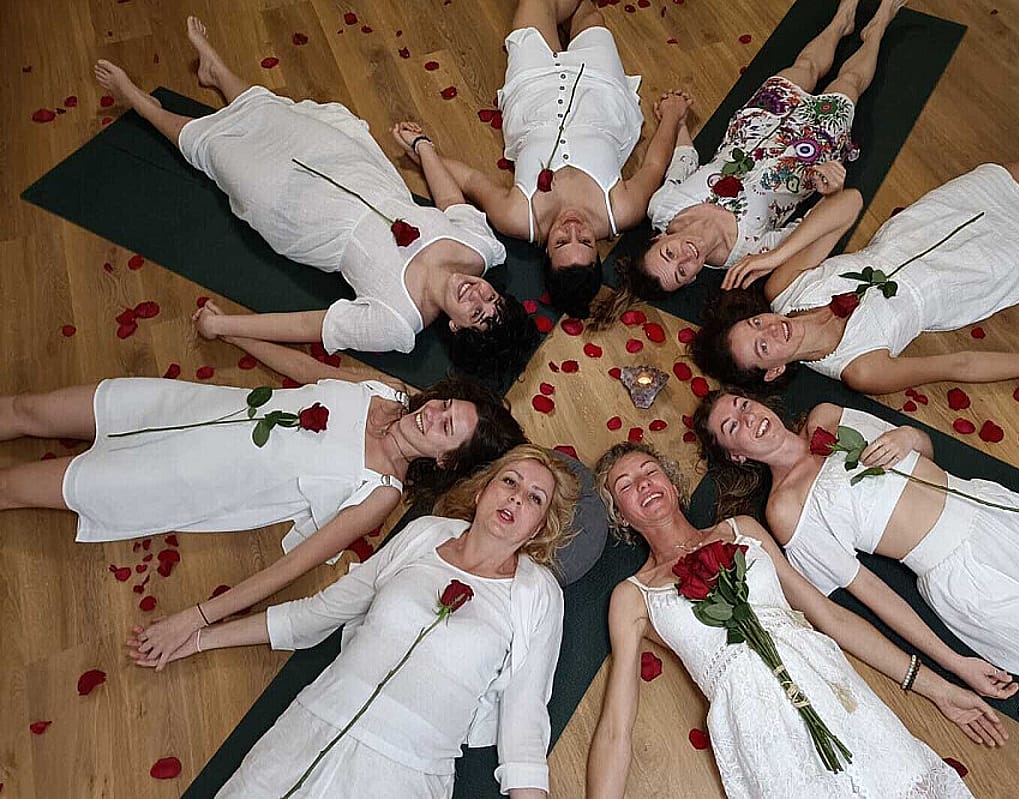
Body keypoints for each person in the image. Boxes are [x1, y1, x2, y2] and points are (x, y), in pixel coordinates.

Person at [1, 309, 525, 669]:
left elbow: (288, 571)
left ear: (445, 458)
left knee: (13, 487)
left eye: (447, 426)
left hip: (166, 482)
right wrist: (228, 332)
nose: (434, 413)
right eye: (445, 404)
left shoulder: (378, 493)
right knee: (27, 409)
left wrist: (194, 620)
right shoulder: (383, 392)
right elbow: (308, 372)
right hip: (179, 408)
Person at [695, 391, 1019, 760]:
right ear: (736, 455)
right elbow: (869, 593)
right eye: (732, 427)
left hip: (1003, 513)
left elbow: (924, 452)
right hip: (971, 581)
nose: (747, 418)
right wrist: (954, 664)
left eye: (742, 405)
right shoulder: (786, 509)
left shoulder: (827, 416)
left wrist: (906, 436)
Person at [689, 74, 1019, 394]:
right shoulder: (859, 369)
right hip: (976, 273)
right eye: (761, 348)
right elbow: (962, 363)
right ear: (774, 372)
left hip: (927, 222)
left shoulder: (784, 291)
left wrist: (779, 253)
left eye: (754, 326)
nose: (767, 331)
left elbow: (848, 204)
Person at [128, 446, 578, 798]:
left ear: (538, 527)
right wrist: (201, 636)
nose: (517, 497)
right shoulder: (425, 534)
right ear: (482, 492)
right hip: (314, 723)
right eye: (510, 482)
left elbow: (524, 722)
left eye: (534, 498)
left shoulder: (537, 594)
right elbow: (323, 611)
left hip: (407, 772)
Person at [95, 17, 534, 368]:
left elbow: (311, 323)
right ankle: (218, 70)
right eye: (491, 297)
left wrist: (227, 326)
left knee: (217, 151)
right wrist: (424, 148)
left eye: (477, 313)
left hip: (303, 219)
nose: (477, 294)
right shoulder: (480, 249)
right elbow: (450, 201)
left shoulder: (396, 324)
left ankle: (140, 103)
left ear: (456, 329)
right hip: (366, 176)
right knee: (280, 119)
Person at [588, 442, 1007, 799]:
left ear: (672, 483)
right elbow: (616, 726)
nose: (643, 484)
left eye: (649, 471)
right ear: (620, 515)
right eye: (625, 485)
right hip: (757, 727)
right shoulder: (633, 596)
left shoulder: (741, 530)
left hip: (830, 687)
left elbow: (827, 615)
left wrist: (939, 689)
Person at [613, 0, 900, 306]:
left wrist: (678, 121)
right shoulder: (745, 255)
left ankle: (841, 21)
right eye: (682, 271)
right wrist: (831, 192)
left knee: (806, 66)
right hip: (809, 153)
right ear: (693, 277)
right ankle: (878, 29)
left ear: (658, 239)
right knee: (849, 83)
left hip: (756, 124)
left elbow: (684, 163)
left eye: (669, 254)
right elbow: (802, 229)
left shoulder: (663, 209)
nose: (685, 255)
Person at [432, 0, 694, 318]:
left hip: (533, 89)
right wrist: (671, 116)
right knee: (588, 13)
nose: (572, 228)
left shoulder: (518, 217)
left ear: (545, 252)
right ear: (597, 252)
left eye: (560, 241)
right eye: (583, 240)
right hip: (599, 87)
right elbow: (654, 165)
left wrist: (421, 150)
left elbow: (472, 180)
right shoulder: (621, 211)